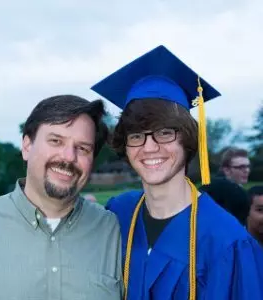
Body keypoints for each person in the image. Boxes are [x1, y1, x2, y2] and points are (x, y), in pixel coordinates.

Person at [91, 45, 263, 299]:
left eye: (164, 132)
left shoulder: (227, 241)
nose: (149, 147)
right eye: (136, 135)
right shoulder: (118, 213)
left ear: (188, 138)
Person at [0, 95, 123, 300]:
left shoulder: (113, 231)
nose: (68, 157)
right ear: (27, 146)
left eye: (82, 148)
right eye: (56, 141)